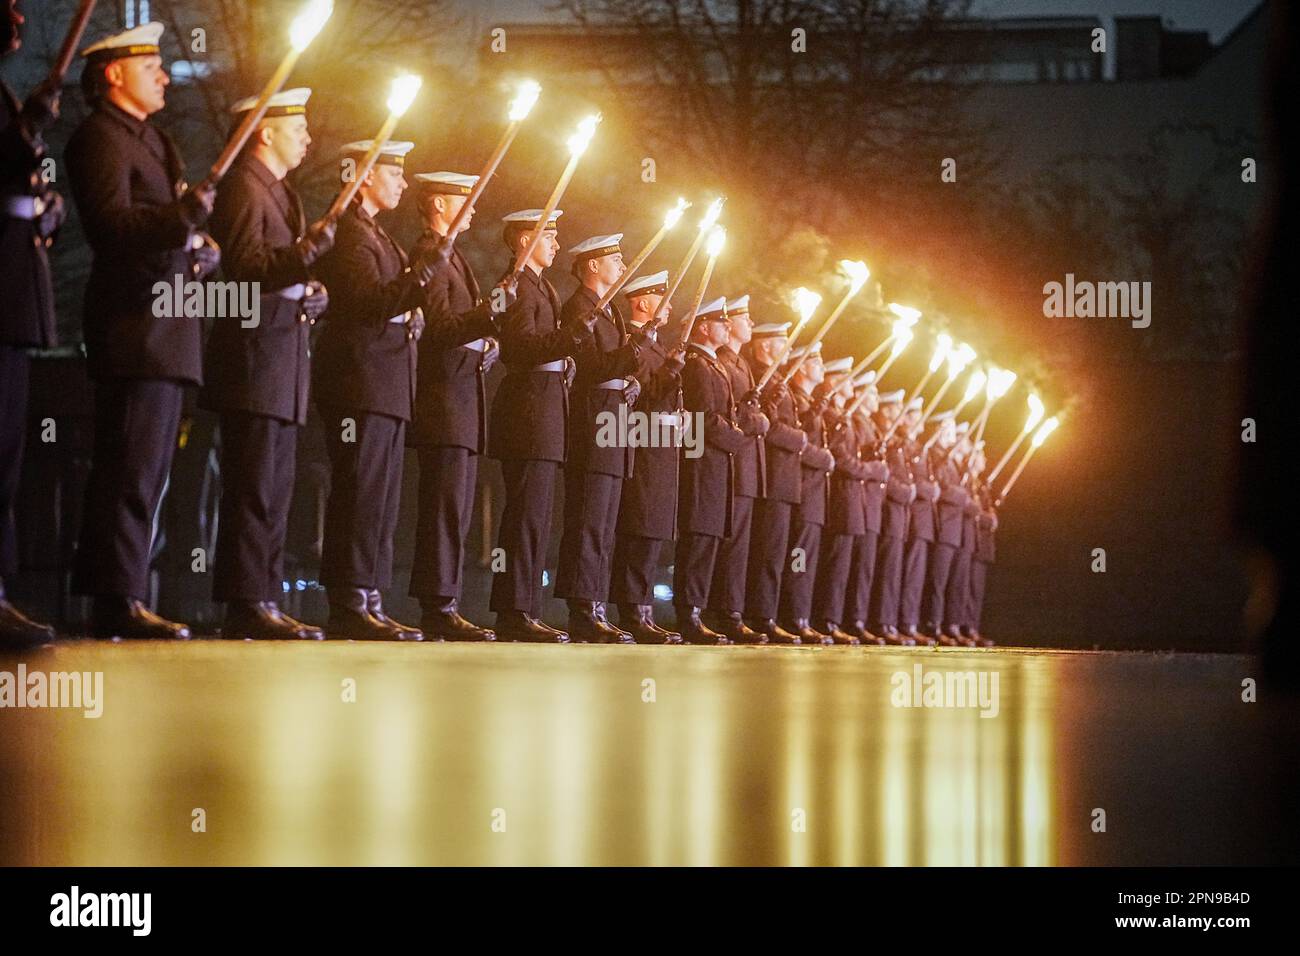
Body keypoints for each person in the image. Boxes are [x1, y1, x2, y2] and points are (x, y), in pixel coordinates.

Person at [66, 22, 219, 640]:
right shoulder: (99, 138)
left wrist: (196, 245)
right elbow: (112, 228)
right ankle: (114, 596)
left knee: (148, 471)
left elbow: (163, 231)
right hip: (134, 326)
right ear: (113, 74)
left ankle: (128, 588)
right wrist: (180, 219)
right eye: (150, 64)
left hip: (165, 328)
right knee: (128, 466)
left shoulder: (153, 142)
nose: (162, 74)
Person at [201, 87, 331, 641]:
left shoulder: (276, 191)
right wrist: (303, 258)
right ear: (264, 132)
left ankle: (264, 596)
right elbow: (247, 268)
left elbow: (279, 272)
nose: (307, 136)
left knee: (275, 485)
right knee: (252, 483)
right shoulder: (242, 188)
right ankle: (244, 599)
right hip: (254, 356)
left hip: (280, 356)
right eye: (296, 126)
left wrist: (310, 287)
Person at [314, 139, 433, 641]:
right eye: (393, 173)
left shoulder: (377, 235)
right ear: (364, 178)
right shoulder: (349, 232)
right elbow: (367, 302)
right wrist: (422, 277)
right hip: (358, 382)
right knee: (359, 492)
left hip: (384, 384)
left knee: (380, 498)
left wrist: (415, 297)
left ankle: (371, 595)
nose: (403, 183)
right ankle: (349, 598)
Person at [406, 171, 509, 642]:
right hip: (442, 401)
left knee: (458, 509)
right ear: (440, 204)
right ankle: (437, 605)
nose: (472, 207)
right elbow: (441, 329)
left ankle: (446, 600)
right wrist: (486, 317)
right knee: (444, 508)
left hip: (460, 402)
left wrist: (484, 335)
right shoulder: (431, 255)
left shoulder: (453, 257)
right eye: (464, 199)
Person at [488, 209, 595, 642]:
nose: (555, 243)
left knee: (536, 518)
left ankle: (526, 604)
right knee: (523, 517)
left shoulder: (541, 286)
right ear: (523, 240)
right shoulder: (515, 285)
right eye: (547, 234)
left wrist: (565, 352)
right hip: (527, 412)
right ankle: (514, 609)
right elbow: (520, 347)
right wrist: (569, 338)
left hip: (546, 413)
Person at [0, 0, 64, 648]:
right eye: (10, 6)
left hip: (14, 298)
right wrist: (24, 132)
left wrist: (44, 207)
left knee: (7, 453)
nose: (17, 16)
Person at [555, 234, 646, 643]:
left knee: (604, 521)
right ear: (593, 266)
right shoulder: (579, 308)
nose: (623, 266)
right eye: (616, 259)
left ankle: (595, 604)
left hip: (614, 424)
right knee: (589, 518)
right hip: (594, 424)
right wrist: (633, 353)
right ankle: (581, 609)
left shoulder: (606, 312)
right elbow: (591, 367)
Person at [609, 271, 684, 644]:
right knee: (639, 528)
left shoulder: (655, 344)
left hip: (662, 444)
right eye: (662, 298)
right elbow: (644, 396)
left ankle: (643, 608)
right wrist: (669, 373)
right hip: (642, 444)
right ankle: (631, 609)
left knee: (652, 530)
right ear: (642, 303)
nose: (669, 305)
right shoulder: (633, 340)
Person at [673, 298, 750, 645]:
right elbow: (704, 419)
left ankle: (697, 610)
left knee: (710, 536)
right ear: (703, 327)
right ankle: (688, 613)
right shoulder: (697, 365)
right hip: (703, 461)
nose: (727, 326)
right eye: (720, 321)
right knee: (699, 537)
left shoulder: (712, 364)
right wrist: (737, 436)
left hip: (717, 463)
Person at [704, 295, 768, 643]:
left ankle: (732, 610)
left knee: (739, 546)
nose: (747, 326)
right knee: (730, 544)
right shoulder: (724, 363)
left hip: (747, 466)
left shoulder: (738, 363)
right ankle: (725, 611)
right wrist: (755, 418)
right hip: (734, 460)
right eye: (745, 320)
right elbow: (731, 415)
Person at [741, 322, 806, 644]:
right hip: (774, 474)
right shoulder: (760, 376)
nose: (789, 348)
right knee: (767, 553)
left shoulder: (778, 379)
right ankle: (761, 614)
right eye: (783, 341)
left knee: (779, 555)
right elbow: (773, 429)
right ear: (765, 346)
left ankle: (767, 613)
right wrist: (801, 439)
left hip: (783, 480)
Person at [777, 344, 836, 644]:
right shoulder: (796, 401)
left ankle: (800, 615)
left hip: (812, 496)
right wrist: (825, 458)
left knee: (804, 559)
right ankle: (794, 615)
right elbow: (801, 446)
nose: (822, 367)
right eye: (816, 360)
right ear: (800, 367)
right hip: (801, 490)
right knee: (797, 558)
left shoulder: (808, 403)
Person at [812, 357, 872, 643]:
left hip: (852, 499)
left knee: (844, 565)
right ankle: (827, 619)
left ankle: (834, 618)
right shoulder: (831, 416)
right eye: (845, 379)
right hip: (841, 498)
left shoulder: (842, 415)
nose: (851, 385)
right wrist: (867, 469)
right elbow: (839, 456)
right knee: (835, 564)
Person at [870, 390, 917, 645]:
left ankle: (887, 621)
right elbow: (886, 477)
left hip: (899, 514)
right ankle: (879, 621)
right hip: (887, 510)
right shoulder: (885, 438)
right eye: (897, 408)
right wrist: (905, 491)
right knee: (885, 570)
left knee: (893, 571)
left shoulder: (894, 440)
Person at [846, 372, 888, 644]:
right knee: (856, 565)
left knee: (865, 567)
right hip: (858, 500)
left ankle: (857, 618)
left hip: (870, 504)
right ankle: (851, 619)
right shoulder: (855, 421)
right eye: (871, 393)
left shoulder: (870, 425)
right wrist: (873, 466)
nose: (876, 398)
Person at [897, 397, 939, 646]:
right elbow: (910, 478)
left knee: (915, 575)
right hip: (910, 517)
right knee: (906, 572)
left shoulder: (918, 448)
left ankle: (908, 623)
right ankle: (900, 623)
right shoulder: (904, 446)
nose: (920, 424)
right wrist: (927, 488)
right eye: (915, 417)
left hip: (923, 521)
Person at [921, 411, 965, 644]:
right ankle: (933, 623)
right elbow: (943, 488)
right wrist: (962, 495)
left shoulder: (948, 459)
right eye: (947, 430)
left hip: (952, 530)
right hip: (942, 526)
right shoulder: (935, 455)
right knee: (937, 580)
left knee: (947, 580)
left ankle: (941, 623)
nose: (951, 435)